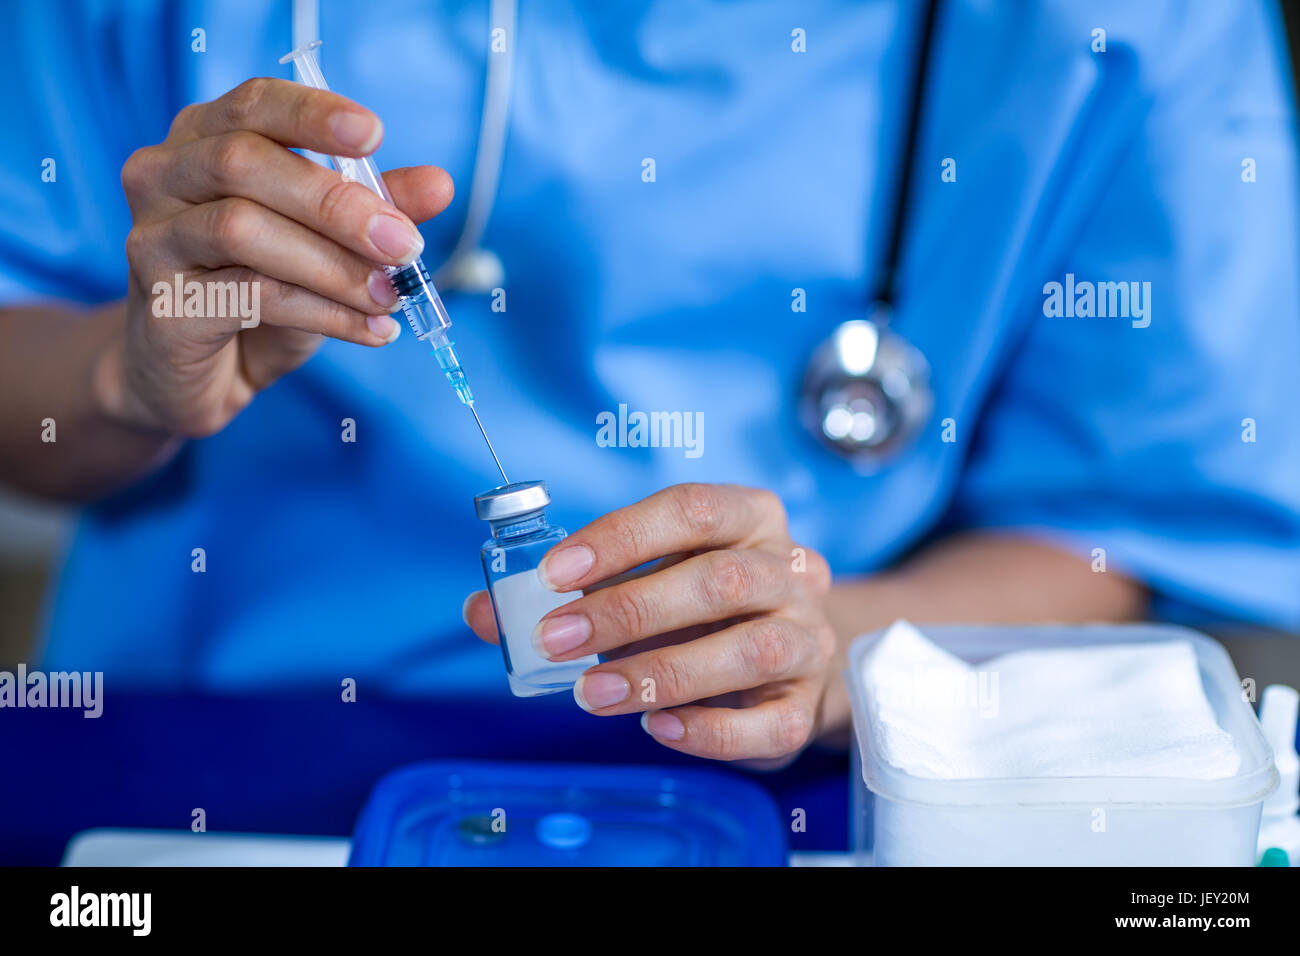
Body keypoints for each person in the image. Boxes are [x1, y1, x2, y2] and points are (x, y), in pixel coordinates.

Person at [1, 0, 1297, 763]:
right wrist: (126, 373)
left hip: (793, 774)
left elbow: (1122, 521)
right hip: (209, 750)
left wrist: (833, 651)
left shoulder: (1124, 30)